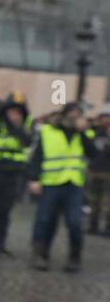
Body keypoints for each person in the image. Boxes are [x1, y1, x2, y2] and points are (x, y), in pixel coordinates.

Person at [28, 103, 90, 272]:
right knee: (46, 220)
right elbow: (37, 156)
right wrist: (34, 179)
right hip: (51, 183)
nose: (74, 117)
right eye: (71, 114)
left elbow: (93, 153)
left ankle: (74, 257)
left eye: (77, 115)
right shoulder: (48, 131)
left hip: (73, 184)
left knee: (75, 222)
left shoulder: (84, 134)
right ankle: (41, 254)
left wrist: (83, 132)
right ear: (64, 115)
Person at [0, 92, 32, 256]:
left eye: (18, 112)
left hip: (14, 173)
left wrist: (17, 127)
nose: (15, 114)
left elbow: (28, 142)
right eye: (12, 111)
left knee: (5, 209)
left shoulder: (25, 124)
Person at [87, 107, 110, 237]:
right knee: (93, 200)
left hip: (108, 172)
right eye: (103, 117)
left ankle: (107, 228)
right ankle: (93, 225)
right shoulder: (94, 132)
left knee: (108, 203)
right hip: (94, 170)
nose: (105, 120)